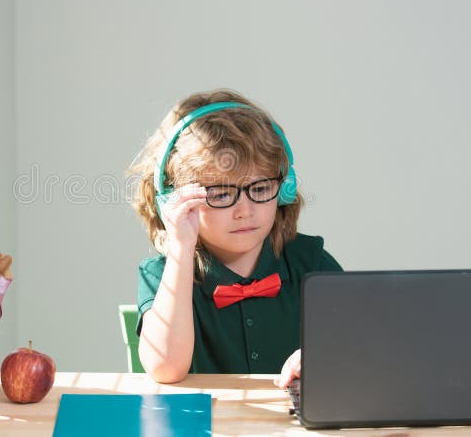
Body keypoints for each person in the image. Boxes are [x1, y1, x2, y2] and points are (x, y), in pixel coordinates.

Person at [128, 89, 343, 388]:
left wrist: (326, 356)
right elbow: (165, 369)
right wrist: (181, 248)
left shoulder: (311, 261)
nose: (245, 211)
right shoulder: (163, 275)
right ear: (174, 200)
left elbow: (364, 343)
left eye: (259, 188)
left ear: (284, 188)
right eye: (220, 193)